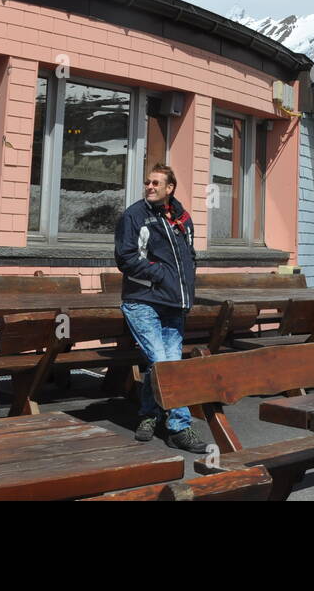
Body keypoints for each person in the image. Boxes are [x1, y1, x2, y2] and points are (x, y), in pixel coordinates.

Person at [115, 163, 208, 453]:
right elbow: (126, 258)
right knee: (164, 363)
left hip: (174, 303)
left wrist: (183, 286)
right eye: (148, 183)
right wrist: (159, 276)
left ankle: (148, 414)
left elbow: (188, 256)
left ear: (170, 188)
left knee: (166, 364)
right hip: (142, 301)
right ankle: (179, 427)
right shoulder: (134, 216)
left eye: (156, 183)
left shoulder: (182, 218)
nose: (150, 187)